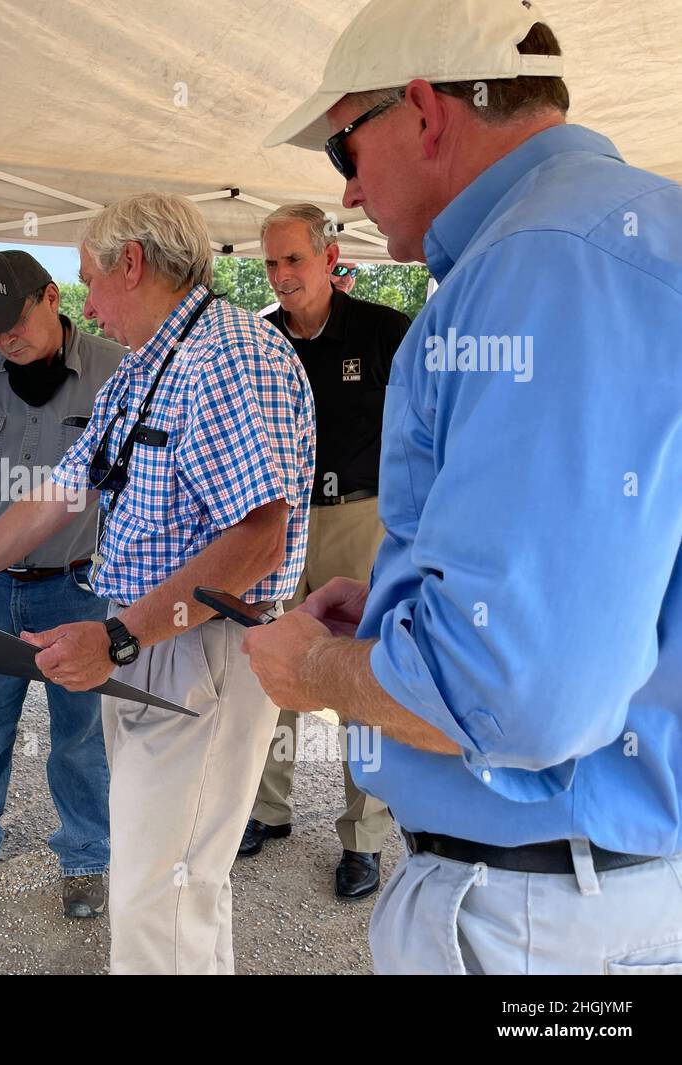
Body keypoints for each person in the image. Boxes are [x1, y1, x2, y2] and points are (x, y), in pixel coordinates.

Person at [255, 0, 682, 974]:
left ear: (422, 110)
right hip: (596, 887)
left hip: (539, 913)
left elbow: (514, 696)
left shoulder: (541, 262)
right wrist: (412, 603)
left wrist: (311, 674)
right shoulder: (621, 233)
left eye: (343, 155)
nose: (351, 197)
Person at [0, 192, 315, 974]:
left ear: (134, 263)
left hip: (201, 646)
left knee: (156, 894)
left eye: (90, 279)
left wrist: (122, 635)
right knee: (174, 883)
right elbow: (57, 494)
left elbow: (259, 537)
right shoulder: (147, 368)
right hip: (156, 640)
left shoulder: (225, 356)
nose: (86, 301)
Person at [0, 250, 124, 916]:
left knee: (79, 732)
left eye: (14, 319)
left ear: (51, 296)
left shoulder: (112, 369)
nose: (5, 337)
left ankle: (87, 854)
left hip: (78, 585)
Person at [242, 204, 410, 900]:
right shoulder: (263, 343)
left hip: (361, 521)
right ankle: (268, 808)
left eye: (294, 260)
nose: (281, 276)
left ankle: (363, 835)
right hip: (281, 522)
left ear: (329, 258)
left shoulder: (382, 330)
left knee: (357, 674)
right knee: (274, 663)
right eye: (271, 263)